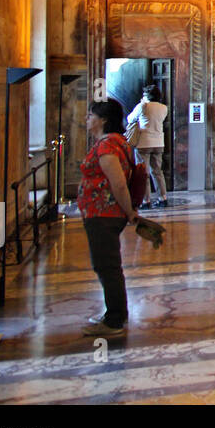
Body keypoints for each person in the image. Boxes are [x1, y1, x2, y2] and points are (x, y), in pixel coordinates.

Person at [78, 99, 140, 338]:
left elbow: (119, 184)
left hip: (104, 213)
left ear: (103, 119)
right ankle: (115, 313)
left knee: (107, 266)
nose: (87, 119)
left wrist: (130, 212)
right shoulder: (116, 143)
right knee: (107, 265)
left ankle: (114, 319)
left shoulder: (107, 146)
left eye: (91, 115)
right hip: (103, 213)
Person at [126, 85, 169, 208]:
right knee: (157, 172)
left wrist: (142, 103)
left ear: (146, 96)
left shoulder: (143, 106)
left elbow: (130, 119)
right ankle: (163, 198)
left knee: (143, 173)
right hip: (159, 143)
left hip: (144, 143)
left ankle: (146, 200)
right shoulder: (164, 108)